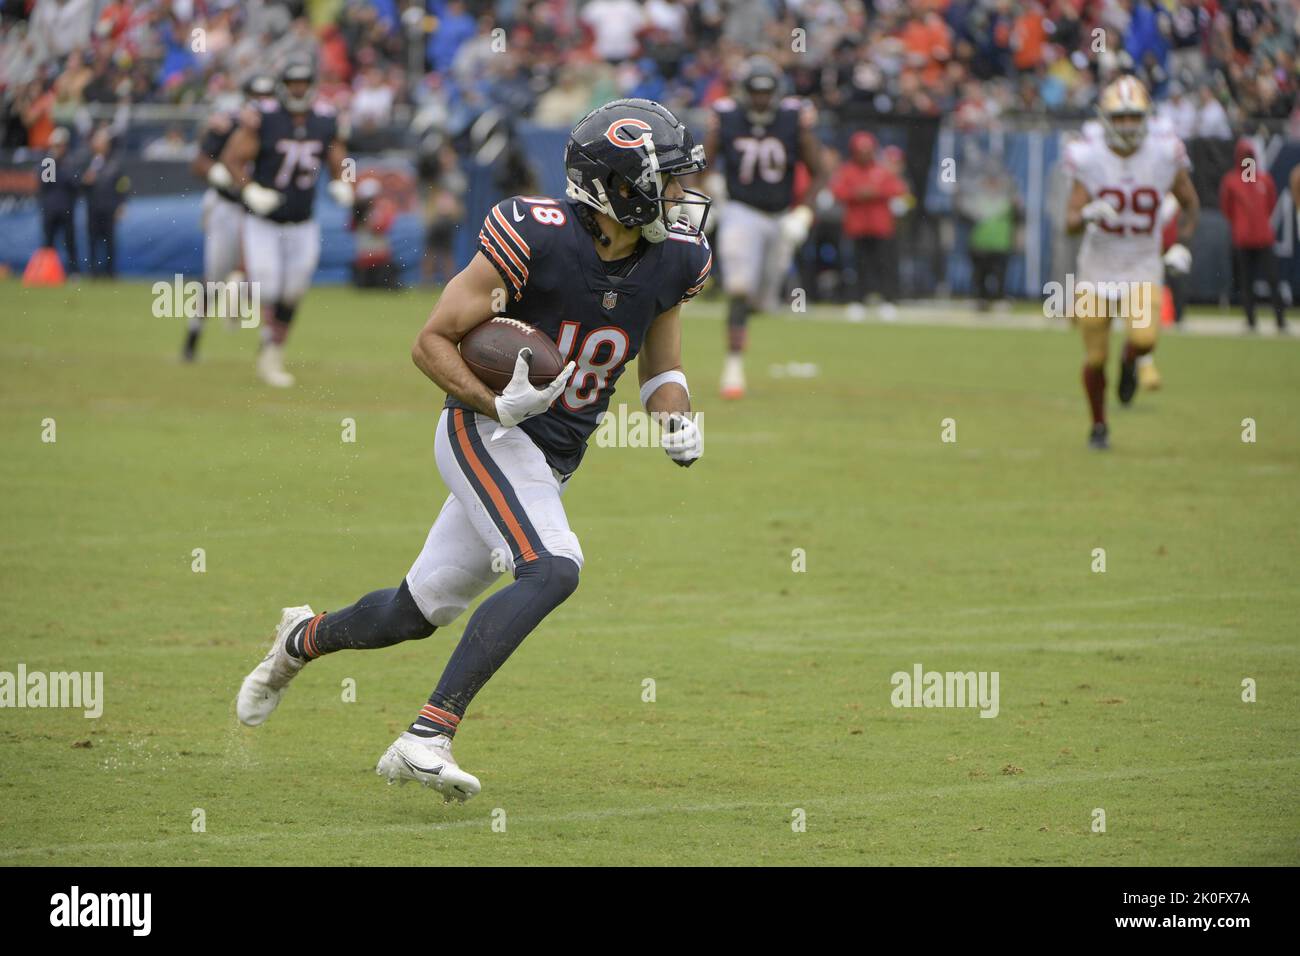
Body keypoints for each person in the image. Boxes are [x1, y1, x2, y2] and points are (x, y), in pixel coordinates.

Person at [235, 99, 712, 801]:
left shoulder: (675, 259)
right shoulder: (536, 234)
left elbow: (660, 367)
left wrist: (677, 416)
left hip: (552, 455)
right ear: (616, 186)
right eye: (666, 180)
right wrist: (495, 403)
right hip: (483, 429)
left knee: (413, 611)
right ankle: (426, 735)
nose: (681, 196)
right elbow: (431, 340)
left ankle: (299, 640)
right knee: (552, 568)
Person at [1063, 75, 1199, 450]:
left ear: (1146, 118)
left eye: (1133, 117)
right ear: (1105, 118)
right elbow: (1069, 222)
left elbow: (1190, 203)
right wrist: (1089, 212)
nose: (1126, 125)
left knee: (1143, 338)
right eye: (1119, 117)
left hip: (1141, 264)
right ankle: (1099, 425)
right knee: (1093, 357)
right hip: (1097, 267)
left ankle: (1130, 362)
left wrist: (1183, 244)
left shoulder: (1163, 153)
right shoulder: (1089, 157)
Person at [219, 61, 352, 387]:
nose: (297, 89)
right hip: (264, 219)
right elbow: (232, 158)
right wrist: (250, 189)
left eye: (302, 82)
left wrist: (344, 180)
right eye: (292, 83)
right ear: (282, 85)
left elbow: (340, 156)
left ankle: (271, 354)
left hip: (303, 220)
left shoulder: (324, 118)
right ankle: (241, 287)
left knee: (292, 291)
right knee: (268, 286)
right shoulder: (264, 117)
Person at [705, 56, 823, 399]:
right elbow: (704, 162)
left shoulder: (792, 119)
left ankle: (741, 339)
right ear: (744, 92)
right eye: (754, 91)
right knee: (739, 288)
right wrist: (707, 191)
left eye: (766, 92)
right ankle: (733, 368)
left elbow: (821, 169)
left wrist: (804, 212)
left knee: (763, 302)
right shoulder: (726, 118)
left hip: (779, 215)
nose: (759, 99)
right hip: (741, 211)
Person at [183, 75, 275, 361]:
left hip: (262, 212)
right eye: (256, 97)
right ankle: (193, 335)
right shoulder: (229, 123)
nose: (261, 103)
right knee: (214, 276)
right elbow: (199, 162)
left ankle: (269, 347)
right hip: (228, 207)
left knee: (268, 277)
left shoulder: (282, 127)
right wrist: (217, 172)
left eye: (267, 97)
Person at [830, 132, 905, 321]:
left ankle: (888, 300)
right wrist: (857, 193)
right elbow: (838, 191)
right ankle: (858, 300)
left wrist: (874, 192)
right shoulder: (847, 170)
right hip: (857, 226)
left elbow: (897, 189)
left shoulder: (882, 169)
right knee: (858, 265)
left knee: (884, 264)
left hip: (880, 226)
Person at [1220, 137, 1287, 333]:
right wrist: (1241, 226)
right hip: (1243, 239)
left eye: (1249, 157)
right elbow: (1227, 209)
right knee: (1246, 282)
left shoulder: (1264, 180)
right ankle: (1251, 321)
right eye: (1244, 157)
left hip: (1264, 238)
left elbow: (1270, 204)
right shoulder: (1231, 181)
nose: (1246, 160)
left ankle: (1280, 321)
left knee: (1273, 279)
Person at [80, 127, 128, 278]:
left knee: (110, 242)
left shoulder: (115, 163)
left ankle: (110, 272)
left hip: (109, 207)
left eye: (102, 142)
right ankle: (93, 272)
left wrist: (121, 204)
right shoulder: (87, 162)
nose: (99, 145)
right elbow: (78, 184)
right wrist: (85, 181)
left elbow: (123, 185)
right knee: (93, 241)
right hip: (93, 208)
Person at [37, 126, 80, 274]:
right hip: (50, 208)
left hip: (66, 208)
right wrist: (53, 163)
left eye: (60, 145)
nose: (58, 148)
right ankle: (45, 272)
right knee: (48, 243)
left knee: (69, 242)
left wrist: (60, 168)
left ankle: (73, 272)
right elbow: (45, 182)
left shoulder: (71, 161)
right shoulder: (48, 161)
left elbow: (74, 182)